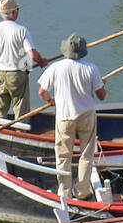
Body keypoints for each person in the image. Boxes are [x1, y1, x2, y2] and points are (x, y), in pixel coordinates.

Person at [38, 33, 106, 199]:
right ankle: (82, 190)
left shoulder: (55, 67)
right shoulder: (91, 68)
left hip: (64, 116)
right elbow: (102, 95)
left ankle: (64, 192)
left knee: (63, 156)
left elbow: (42, 92)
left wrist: (51, 101)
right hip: (86, 116)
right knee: (86, 155)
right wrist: (102, 84)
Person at [0, 0, 48, 119]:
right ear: (14, 12)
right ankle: (21, 131)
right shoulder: (21, 30)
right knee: (21, 114)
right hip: (17, 74)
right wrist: (41, 61)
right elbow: (32, 55)